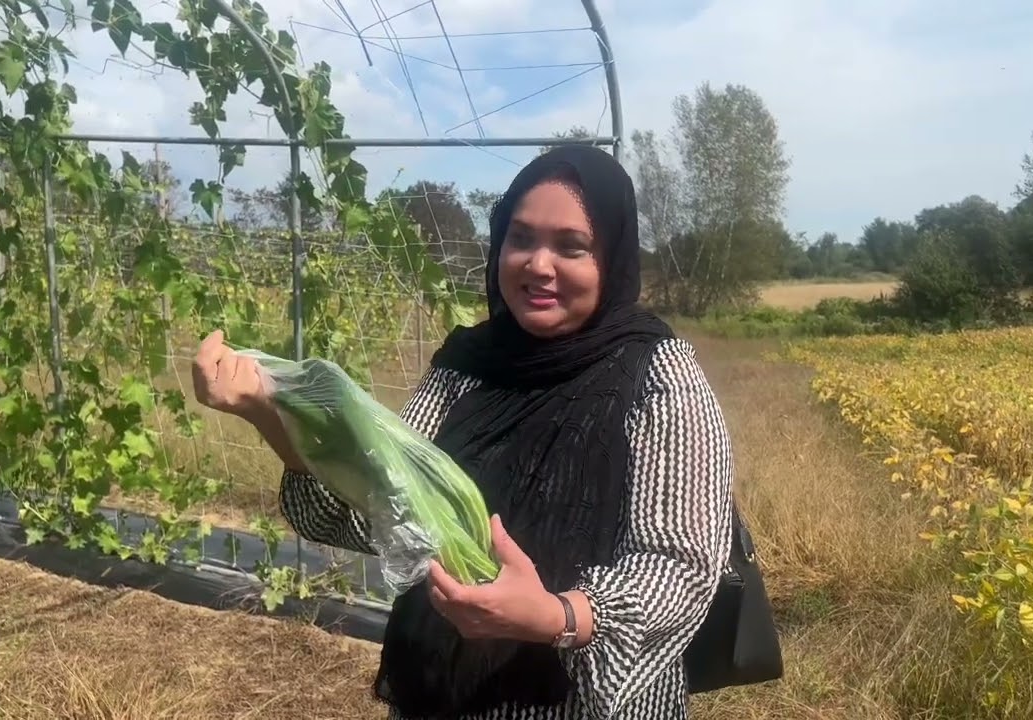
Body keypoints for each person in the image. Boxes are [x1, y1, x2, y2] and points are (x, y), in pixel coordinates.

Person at [192, 145, 734, 719]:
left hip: (575, 704)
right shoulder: (467, 366)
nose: (538, 265)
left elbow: (679, 566)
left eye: (571, 246)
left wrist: (555, 616)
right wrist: (265, 411)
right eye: (520, 238)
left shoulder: (657, 374)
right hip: (440, 693)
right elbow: (376, 507)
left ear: (613, 259)